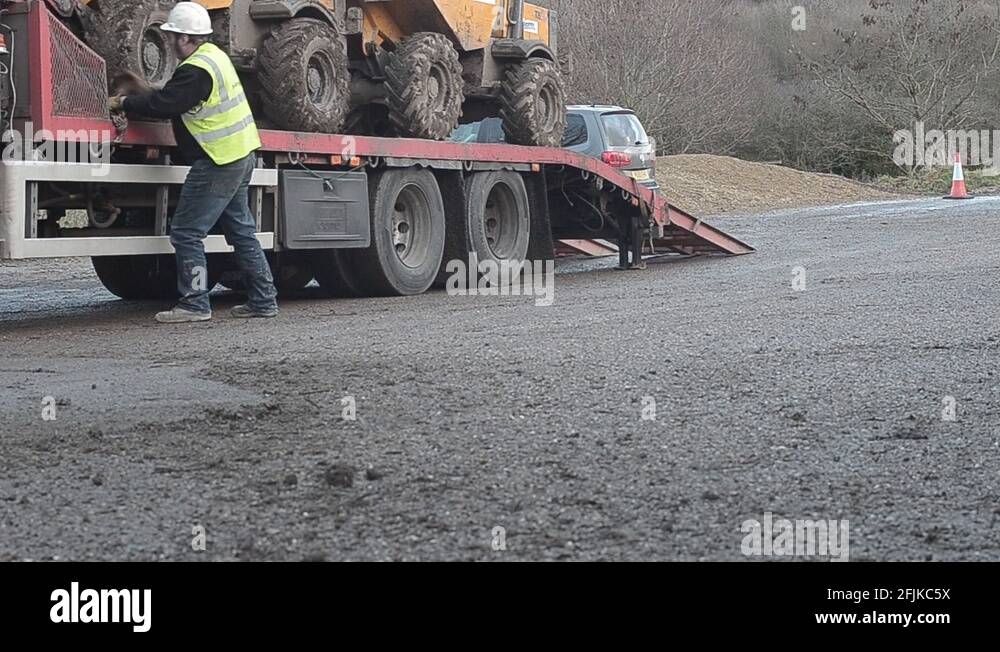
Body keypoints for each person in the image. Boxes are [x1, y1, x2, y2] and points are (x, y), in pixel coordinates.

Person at [108, 2, 278, 323]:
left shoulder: (194, 70)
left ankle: (195, 303)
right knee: (241, 232)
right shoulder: (215, 58)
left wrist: (124, 102)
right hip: (240, 155)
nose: (170, 43)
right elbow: (176, 95)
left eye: (173, 36)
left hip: (218, 160)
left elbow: (166, 103)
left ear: (184, 38)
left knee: (186, 232)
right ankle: (264, 300)